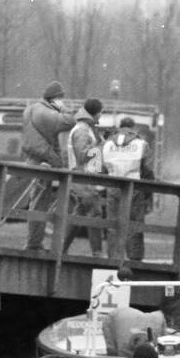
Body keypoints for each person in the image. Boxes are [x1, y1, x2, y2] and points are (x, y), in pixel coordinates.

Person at [22, 81, 76, 250]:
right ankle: (33, 243)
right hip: (44, 160)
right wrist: (63, 108)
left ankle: (34, 241)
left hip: (33, 159)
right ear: (56, 98)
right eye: (61, 98)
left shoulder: (30, 109)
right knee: (39, 203)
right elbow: (70, 121)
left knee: (36, 202)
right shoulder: (45, 112)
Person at [101, 116, 156, 261]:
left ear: (119, 127)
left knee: (112, 225)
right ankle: (135, 260)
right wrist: (149, 194)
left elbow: (102, 169)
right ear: (133, 128)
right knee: (134, 225)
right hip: (135, 188)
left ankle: (112, 259)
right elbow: (147, 170)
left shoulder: (106, 144)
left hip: (113, 187)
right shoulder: (141, 144)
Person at [67, 98, 107, 257]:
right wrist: (100, 146)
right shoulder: (82, 130)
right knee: (95, 214)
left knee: (77, 217)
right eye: (100, 113)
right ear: (95, 113)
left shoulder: (84, 128)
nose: (101, 117)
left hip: (82, 179)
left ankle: (60, 249)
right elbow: (82, 155)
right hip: (84, 180)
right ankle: (97, 253)